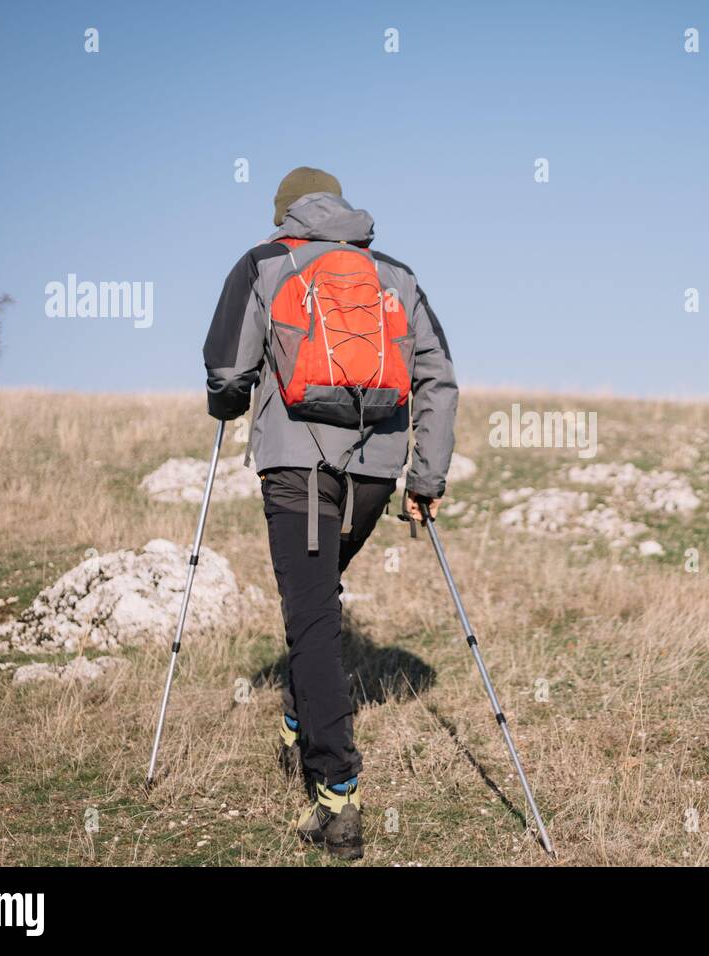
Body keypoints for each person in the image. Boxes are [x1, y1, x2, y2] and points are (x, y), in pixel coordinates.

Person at [203, 166, 458, 859]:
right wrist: (426, 474)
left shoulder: (264, 263)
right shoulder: (395, 275)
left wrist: (226, 404)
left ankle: (337, 796)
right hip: (375, 474)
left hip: (298, 467)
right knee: (318, 603)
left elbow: (227, 374)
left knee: (312, 618)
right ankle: (299, 717)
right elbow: (437, 375)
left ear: (284, 213)